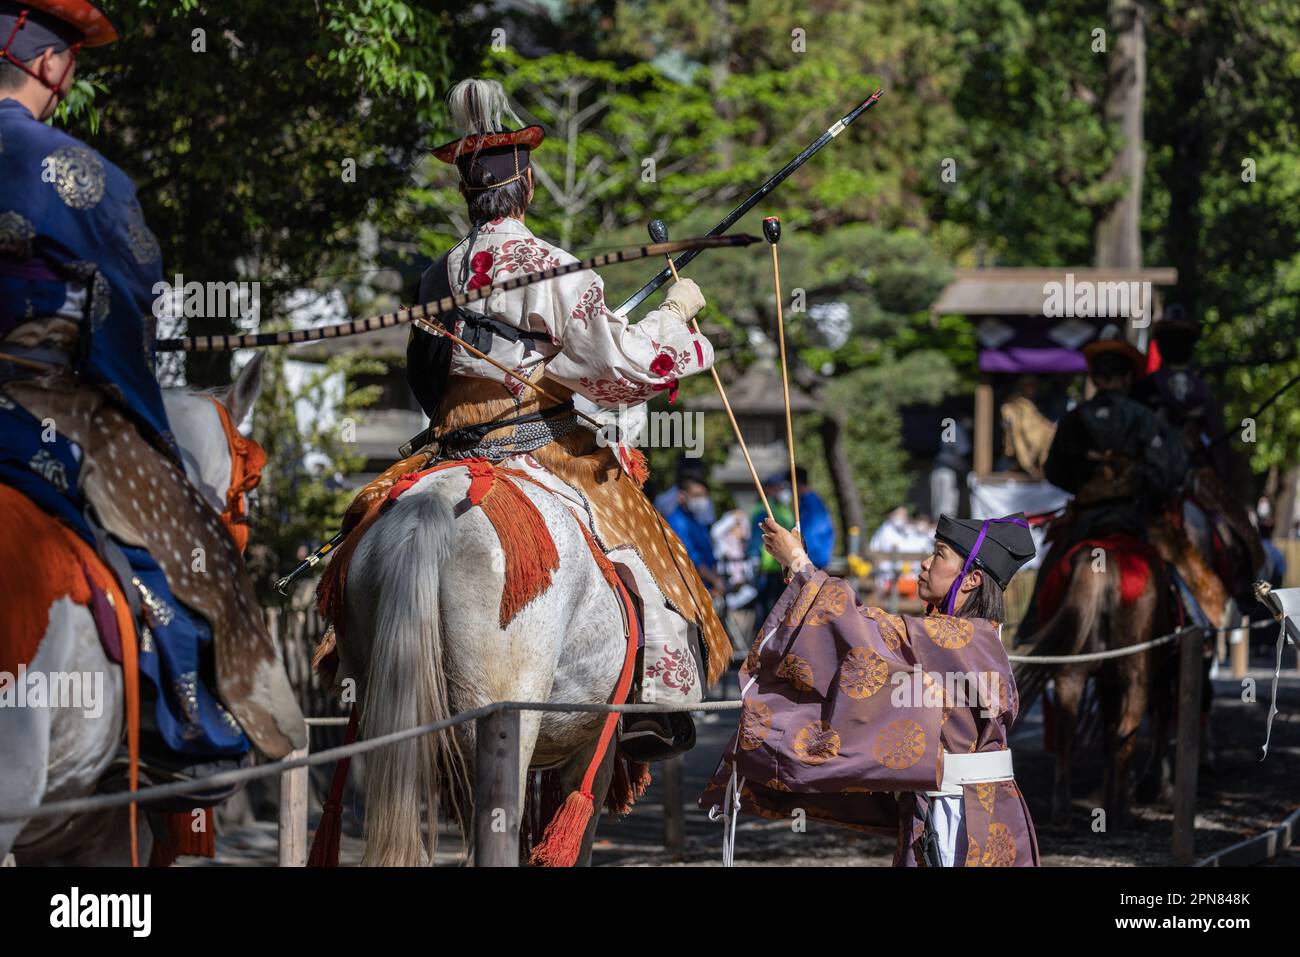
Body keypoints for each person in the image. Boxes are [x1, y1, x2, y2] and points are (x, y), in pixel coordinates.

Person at [332, 77, 724, 760]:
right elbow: (622, 368)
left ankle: (344, 660)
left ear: (467, 194)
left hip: (449, 447)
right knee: (640, 538)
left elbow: (424, 375)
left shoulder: (434, 275)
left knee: (362, 518)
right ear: (530, 186)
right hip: (540, 448)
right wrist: (675, 318)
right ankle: (660, 691)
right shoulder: (556, 267)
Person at [0, 0, 302, 776]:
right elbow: (126, 319)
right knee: (197, 554)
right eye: (71, 63)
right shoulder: (80, 173)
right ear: (50, 64)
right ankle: (186, 742)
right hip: (41, 413)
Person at [700, 511, 1040, 866]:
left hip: (968, 816)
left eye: (939, 554)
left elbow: (862, 631)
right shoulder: (963, 635)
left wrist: (800, 564)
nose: (924, 563)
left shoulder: (962, 637)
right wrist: (803, 573)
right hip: (948, 804)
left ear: (971, 579)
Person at [665, 464, 725, 597]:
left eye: (704, 495)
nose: (701, 500)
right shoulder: (677, 522)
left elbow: (709, 553)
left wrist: (715, 579)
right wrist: (715, 581)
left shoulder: (696, 520)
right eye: (696, 495)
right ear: (682, 496)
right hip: (690, 590)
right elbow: (691, 558)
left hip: (708, 588)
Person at [747, 471, 797, 625]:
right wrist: (755, 559)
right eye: (779, 487)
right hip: (767, 567)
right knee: (767, 611)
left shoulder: (783, 509)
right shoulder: (762, 509)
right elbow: (757, 538)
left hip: (782, 564)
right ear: (769, 489)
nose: (783, 491)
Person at [791, 465, 835, 568]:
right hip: (810, 560)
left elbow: (811, 535)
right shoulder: (805, 502)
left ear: (796, 483)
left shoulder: (811, 503)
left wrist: (796, 555)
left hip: (813, 561)